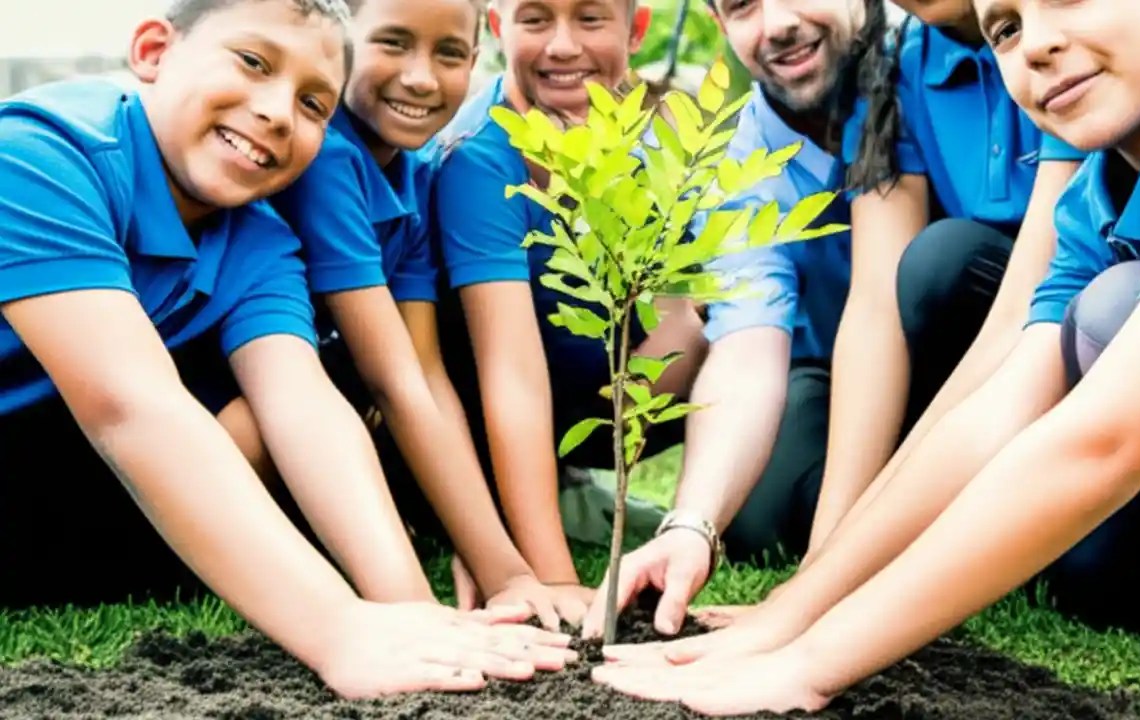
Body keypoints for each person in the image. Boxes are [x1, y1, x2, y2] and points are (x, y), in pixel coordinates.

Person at [591, 0, 1140, 713]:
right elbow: (998, 407)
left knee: (1113, 309)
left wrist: (812, 664)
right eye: (1006, 28)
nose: (1036, 45)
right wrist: (792, 615)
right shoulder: (1095, 194)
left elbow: (1101, 443)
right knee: (1101, 312)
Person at [0, 0, 572, 699]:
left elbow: (303, 404)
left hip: (62, 478)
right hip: (59, 448)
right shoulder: (41, 157)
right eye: (252, 63)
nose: (276, 112)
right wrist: (338, 631)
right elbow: (130, 406)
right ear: (154, 50)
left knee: (259, 425)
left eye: (312, 103)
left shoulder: (257, 235)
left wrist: (407, 608)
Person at [582, 0, 907, 638]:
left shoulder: (921, 74)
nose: (777, 23)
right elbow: (747, 337)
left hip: (971, 354)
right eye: (743, 7)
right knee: (759, 512)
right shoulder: (739, 156)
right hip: (841, 382)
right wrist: (691, 524)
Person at [268, 0, 564, 626]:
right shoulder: (327, 158)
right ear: (342, 44)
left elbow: (424, 371)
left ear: (476, 58)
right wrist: (504, 571)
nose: (422, 78)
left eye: (448, 54)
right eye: (393, 43)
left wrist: (499, 562)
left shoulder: (416, 170)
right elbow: (393, 381)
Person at [429, 0, 709, 625]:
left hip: (591, 391)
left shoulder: (651, 141)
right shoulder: (479, 158)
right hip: (479, 397)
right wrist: (551, 574)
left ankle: (565, 482)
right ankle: (500, 511)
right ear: (499, 31)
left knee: (699, 340)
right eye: (535, 20)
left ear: (634, 31)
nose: (562, 46)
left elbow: (677, 318)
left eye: (590, 19)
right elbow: (510, 373)